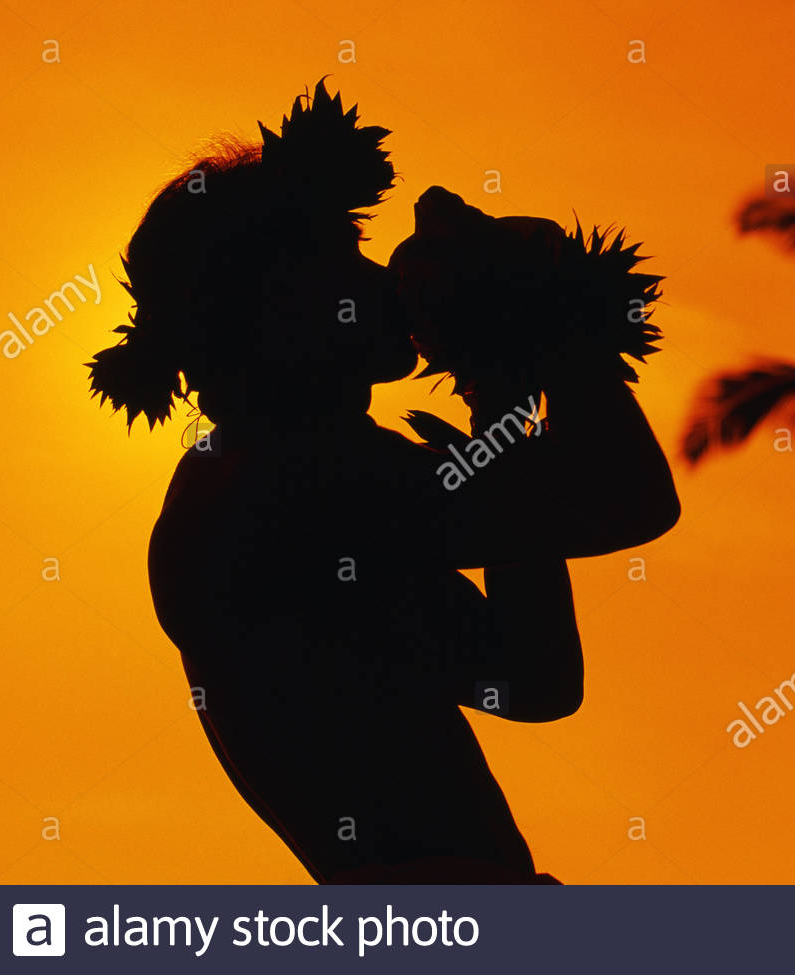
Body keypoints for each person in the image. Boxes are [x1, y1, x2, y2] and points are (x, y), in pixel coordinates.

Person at [87, 82, 680, 883]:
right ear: (278, 304)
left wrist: (497, 381)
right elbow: (629, 496)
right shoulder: (286, 480)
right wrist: (554, 320)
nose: (378, 281)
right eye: (345, 257)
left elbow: (530, 678)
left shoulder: (267, 474)